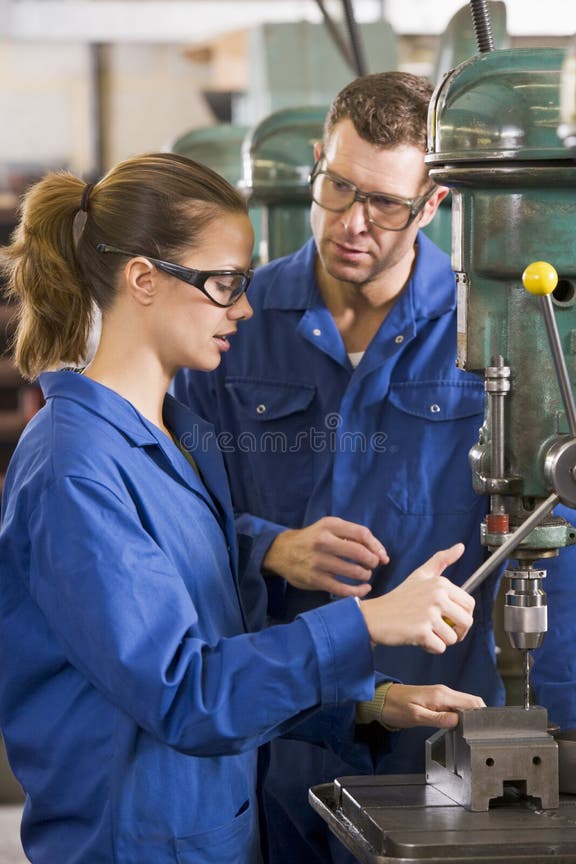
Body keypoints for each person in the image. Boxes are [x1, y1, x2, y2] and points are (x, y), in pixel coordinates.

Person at [0, 152, 485, 864]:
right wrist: (367, 621)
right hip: (134, 845)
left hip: (206, 830)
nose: (246, 309)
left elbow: (222, 659)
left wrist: (363, 705)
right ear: (143, 280)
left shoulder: (180, 440)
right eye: (224, 283)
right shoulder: (75, 468)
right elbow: (185, 692)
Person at [171, 73, 506, 863]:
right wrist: (267, 546)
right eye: (338, 186)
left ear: (434, 203)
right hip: (271, 730)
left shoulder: (482, 334)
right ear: (319, 162)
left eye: (385, 203)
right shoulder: (233, 326)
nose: (352, 223)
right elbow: (170, 511)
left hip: (439, 736)